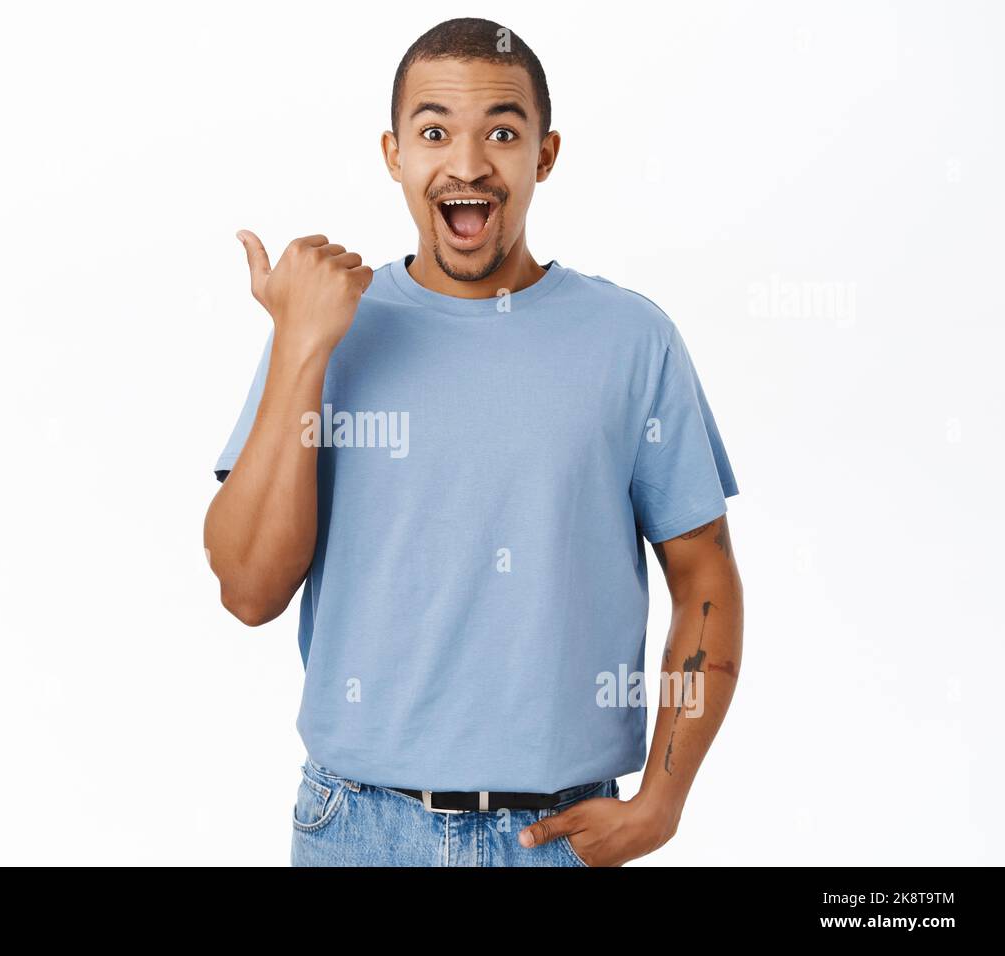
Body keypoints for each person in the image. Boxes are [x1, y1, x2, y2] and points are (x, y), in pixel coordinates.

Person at [203, 17, 744, 867]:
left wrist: (662, 803)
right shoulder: (322, 328)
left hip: (559, 837)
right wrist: (304, 346)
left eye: (501, 131)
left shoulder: (632, 341)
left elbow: (704, 572)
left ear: (546, 153)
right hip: (357, 831)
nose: (466, 163)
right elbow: (248, 591)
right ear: (393, 154)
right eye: (433, 132)